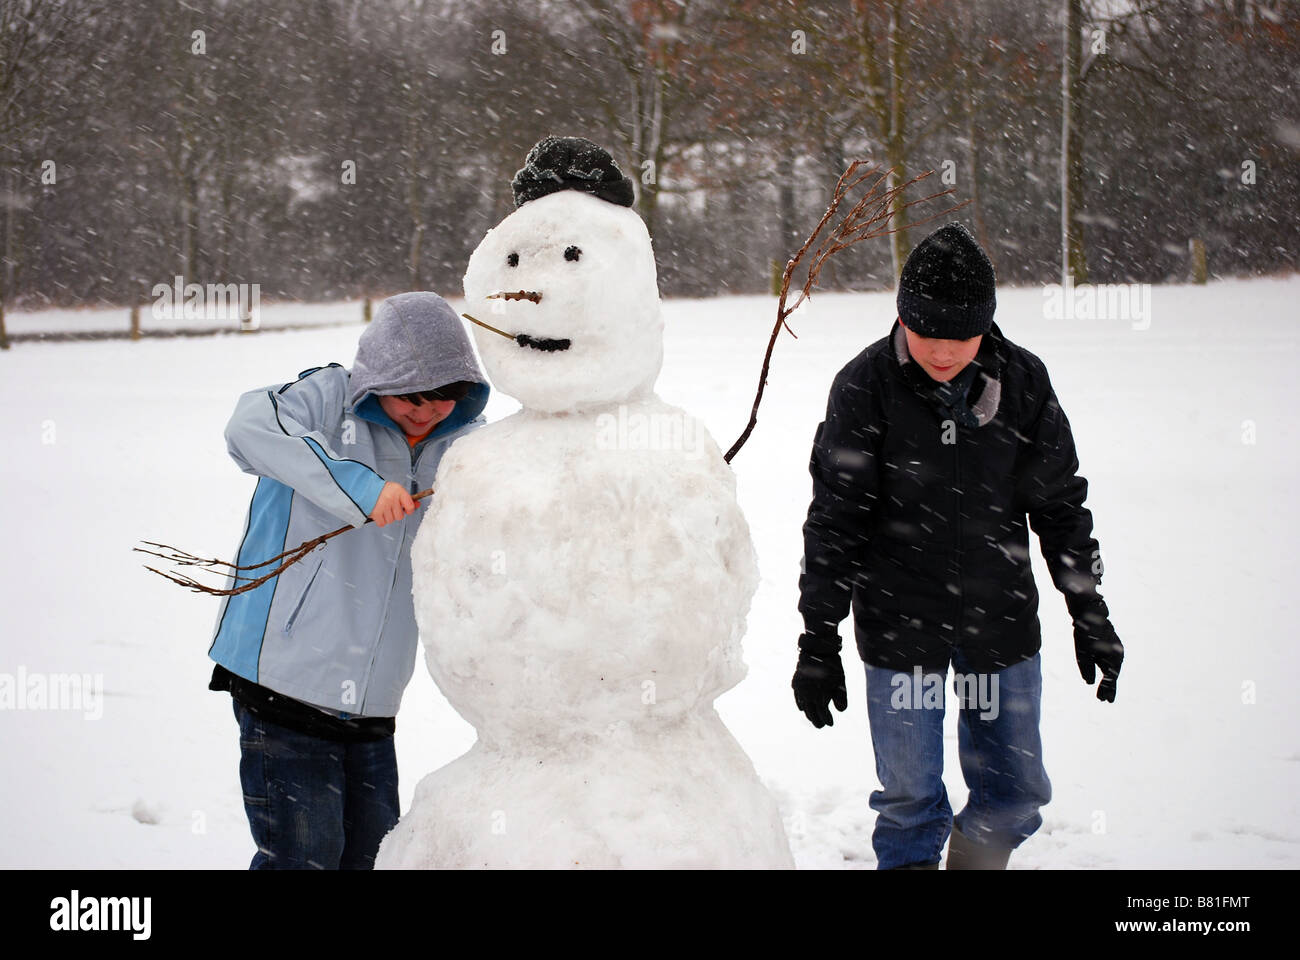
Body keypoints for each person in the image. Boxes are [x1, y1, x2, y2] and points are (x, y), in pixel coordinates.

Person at [792, 224, 1124, 870]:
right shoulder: (864, 388)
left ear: (987, 326)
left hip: (999, 623)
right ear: (901, 316)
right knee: (910, 799)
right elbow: (834, 522)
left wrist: (1090, 613)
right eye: (928, 333)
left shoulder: (1024, 385)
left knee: (1018, 791)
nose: (943, 352)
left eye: (961, 336)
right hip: (899, 627)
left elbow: (1059, 506)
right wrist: (817, 638)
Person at [206, 291, 490, 869]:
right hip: (284, 681)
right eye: (413, 396)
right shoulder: (327, 398)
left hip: (373, 700)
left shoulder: (465, 444)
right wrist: (361, 488)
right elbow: (247, 430)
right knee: (304, 858)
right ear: (380, 375)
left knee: (373, 859)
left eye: (444, 400)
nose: (426, 411)